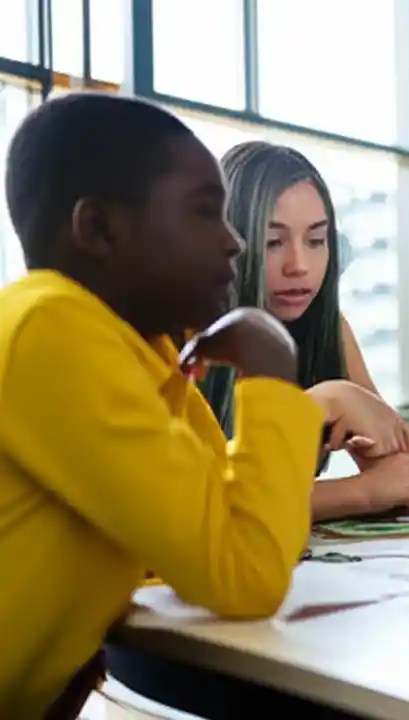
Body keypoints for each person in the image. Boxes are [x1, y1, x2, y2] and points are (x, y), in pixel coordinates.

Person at [0, 94, 324, 718]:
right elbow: (244, 570)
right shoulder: (49, 327)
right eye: (206, 213)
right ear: (99, 229)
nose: (233, 244)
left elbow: (209, 528)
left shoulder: (138, 354)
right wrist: (271, 372)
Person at [203, 141, 409, 522]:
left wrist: (380, 464)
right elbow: (199, 505)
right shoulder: (183, 339)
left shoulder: (328, 329)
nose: (299, 265)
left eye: (316, 240)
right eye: (273, 242)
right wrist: (355, 489)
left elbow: (400, 478)